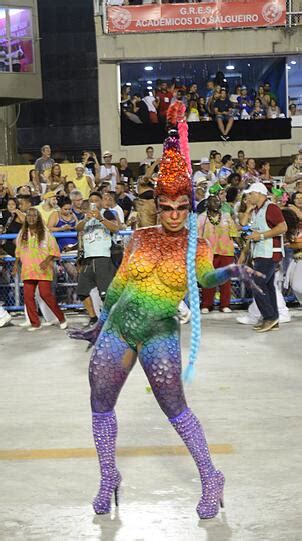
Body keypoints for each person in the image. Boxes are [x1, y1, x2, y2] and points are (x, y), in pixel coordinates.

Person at [68, 124, 261, 520]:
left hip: (159, 332)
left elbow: (205, 280)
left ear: (189, 207)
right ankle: (108, 477)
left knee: (175, 407)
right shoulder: (140, 237)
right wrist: (100, 323)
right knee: (100, 404)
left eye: (181, 207)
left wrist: (231, 274)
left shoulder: (198, 244)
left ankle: (211, 477)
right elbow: (119, 285)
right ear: (158, 204)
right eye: (166, 206)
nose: (173, 214)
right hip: (120, 328)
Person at [240, 183, 287, 332]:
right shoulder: (257, 210)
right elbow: (243, 225)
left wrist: (259, 236)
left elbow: (282, 227)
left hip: (270, 252)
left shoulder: (271, 208)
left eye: (250, 194)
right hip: (261, 253)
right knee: (268, 286)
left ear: (259, 193)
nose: (248, 197)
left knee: (257, 284)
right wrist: (248, 210)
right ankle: (274, 318)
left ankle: (269, 317)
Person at [13, 208, 67, 331]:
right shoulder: (23, 233)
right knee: (27, 296)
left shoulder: (45, 232)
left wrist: (46, 261)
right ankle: (35, 323)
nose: (31, 218)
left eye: (34, 216)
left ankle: (61, 318)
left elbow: (54, 250)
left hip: (43, 268)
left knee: (45, 294)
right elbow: (18, 250)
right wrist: (16, 264)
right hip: (28, 268)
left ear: (38, 218)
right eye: (29, 215)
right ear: (26, 218)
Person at [76, 192, 119, 326]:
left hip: (103, 257)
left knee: (105, 294)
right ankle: (93, 317)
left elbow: (116, 228)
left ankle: (111, 320)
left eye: (96, 200)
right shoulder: (86, 217)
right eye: (91, 200)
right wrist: (85, 220)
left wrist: (100, 219)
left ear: (101, 202)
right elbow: (77, 228)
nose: (93, 202)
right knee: (82, 291)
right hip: (88, 258)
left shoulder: (108, 214)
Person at [198, 194, 239, 313]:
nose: (215, 204)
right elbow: (198, 237)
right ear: (207, 204)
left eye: (217, 201)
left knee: (225, 280)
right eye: (212, 202)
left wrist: (242, 247)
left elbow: (234, 234)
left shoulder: (226, 217)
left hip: (226, 252)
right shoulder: (201, 218)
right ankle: (206, 305)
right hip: (208, 253)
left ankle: (225, 305)